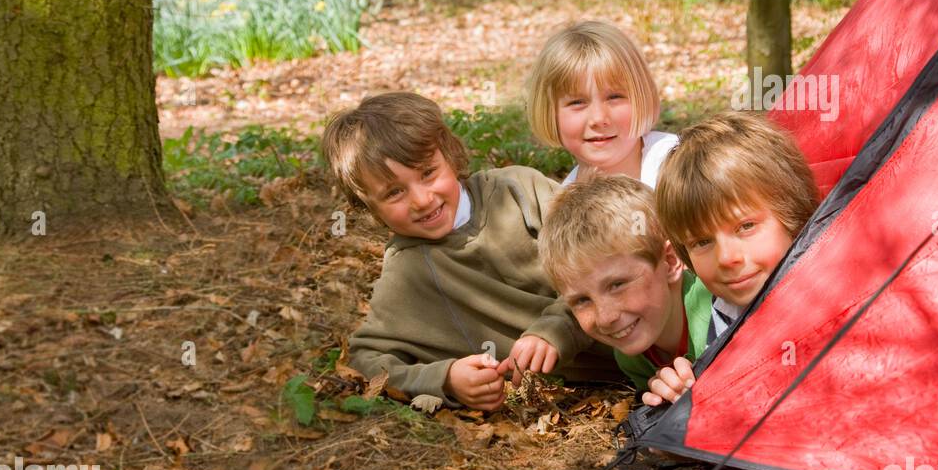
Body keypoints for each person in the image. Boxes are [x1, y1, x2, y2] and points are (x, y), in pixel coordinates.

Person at [321, 91, 619, 412]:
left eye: (428, 173)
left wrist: (558, 328)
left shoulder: (519, 190)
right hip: (620, 375)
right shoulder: (405, 273)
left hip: (649, 329)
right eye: (394, 192)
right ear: (369, 206)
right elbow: (365, 360)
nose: (422, 200)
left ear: (449, 155)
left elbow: (608, 253)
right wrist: (445, 378)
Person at [646, 109, 821, 406]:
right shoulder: (723, 312)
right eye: (702, 242)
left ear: (793, 215)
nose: (726, 258)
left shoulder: (836, 292)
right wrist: (682, 393)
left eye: (746, 226)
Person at [538, 173, 713, 406]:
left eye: (617, 285)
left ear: (670, 262)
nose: (606, 317)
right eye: (582, 300)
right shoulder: (631, 354)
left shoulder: (718, 315)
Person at [525, 19, 678, 188]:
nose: (598, 118)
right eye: (577, 102)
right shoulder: (567, 197)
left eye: (614, 97)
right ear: (550, 113)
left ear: (643, 97)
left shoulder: (681, 166)